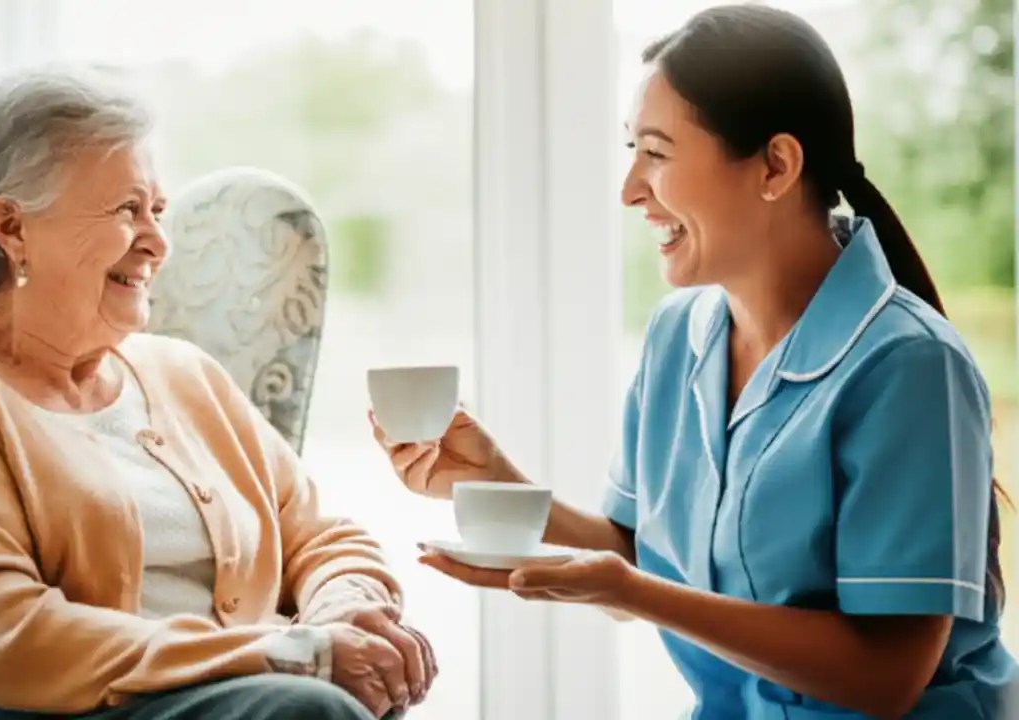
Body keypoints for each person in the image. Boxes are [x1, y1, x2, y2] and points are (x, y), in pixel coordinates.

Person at [374, 5, 1016, 719]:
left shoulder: (909, 367)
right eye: (631, 150)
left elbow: (885, 678)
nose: (629, 190)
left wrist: (627, 591)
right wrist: (501, 486)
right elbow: (642, 553)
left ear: (776, 165)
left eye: (656, 153)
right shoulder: (678, 335)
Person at [0, 68, 434, 720]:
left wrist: (344, 609)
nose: (159, 243)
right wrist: (286, 652)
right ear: (11, 227)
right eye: (127, 211)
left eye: (157, 211)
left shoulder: (185, 377)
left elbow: (320, 538)